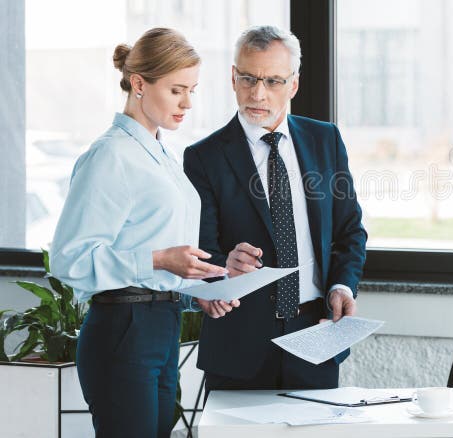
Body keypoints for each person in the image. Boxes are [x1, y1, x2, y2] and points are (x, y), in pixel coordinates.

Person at [50, 28, 240, 438]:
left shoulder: (160, 155)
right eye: (176, 90)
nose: (188, 103)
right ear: (139, 84)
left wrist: (199, 294)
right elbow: (69, 259)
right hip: (123, 330)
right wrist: (158, 260)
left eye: (192, 90)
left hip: (161, 325)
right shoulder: (110, 156)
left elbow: (150, 251)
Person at [183, 25, 367, 395]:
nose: (258, 93)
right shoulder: (203, 157)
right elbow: (198, 252)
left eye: (273, 81)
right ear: (233, 78)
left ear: (293, 85)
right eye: (248, 78)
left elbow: (349, 231)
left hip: (316, 335)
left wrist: (342, 285)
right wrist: (224, 266)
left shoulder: (324, 140)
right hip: (239, 344)